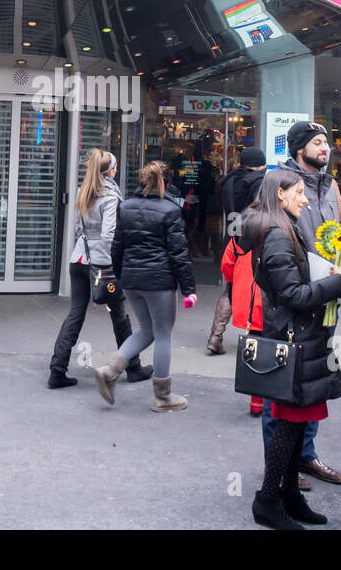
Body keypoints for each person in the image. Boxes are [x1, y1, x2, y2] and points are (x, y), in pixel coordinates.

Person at [242, 167, 341, 529]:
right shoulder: (277, 235)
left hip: (301, 339)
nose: (305, 199)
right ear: (280, 194)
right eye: (299, 192)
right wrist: (335, 283)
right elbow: (293, 295)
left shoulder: (283, 229)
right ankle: (268, 500)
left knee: (296, 426)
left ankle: (289, 495)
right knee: (288, 427)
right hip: (293, 341)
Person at [265, 120, 341, 489]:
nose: (324, 148)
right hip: (294, 297)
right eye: (316, 142)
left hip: (326, 294)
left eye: (326, 142)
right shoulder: (279, 183)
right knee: (283, 380)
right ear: (299, 148)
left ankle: (305, 454)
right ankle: (279, 464)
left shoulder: (331, 186)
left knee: (314, 375)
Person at [94, 161, 197, 411]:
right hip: (159, 282)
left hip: (131, 280)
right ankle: (162, 397)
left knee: (145, 330)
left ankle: (110, 371)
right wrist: (188, 289)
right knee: (162, 334)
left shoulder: (126, 207)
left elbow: (117, 246)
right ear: (168, 184)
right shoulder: (170, 210)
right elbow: (178, 254)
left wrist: (121, 276)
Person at [48, 149, 152, 388]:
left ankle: (57, 369)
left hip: (79, 259)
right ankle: (133, 367)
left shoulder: (82, 191)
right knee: (119, 314)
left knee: (76, 314)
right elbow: (108, 235)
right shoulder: (110, 196)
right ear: (112, 170)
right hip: (103, 263)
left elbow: (77, 227)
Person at [207, 146, 267, 354]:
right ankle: (254, 336)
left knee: (230, 287)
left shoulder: (227, 181)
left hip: (231, 237)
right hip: (250, 240)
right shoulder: (257, 182)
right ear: (260, 164)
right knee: (256, 286)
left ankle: (215, 336)